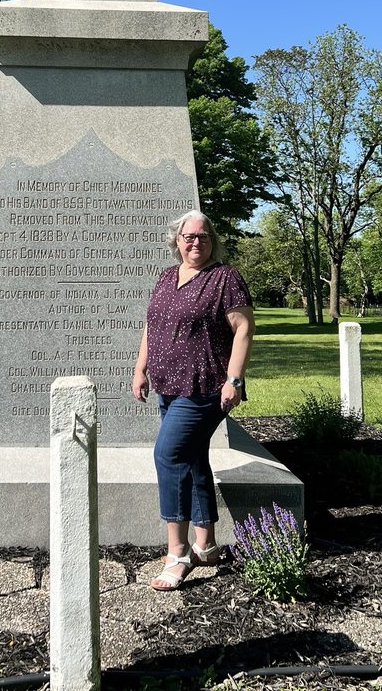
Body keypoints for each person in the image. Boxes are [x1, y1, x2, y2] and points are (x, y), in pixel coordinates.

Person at [132, 210, 255, 591]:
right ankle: (207, 545)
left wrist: (233, 379)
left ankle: (178, 552)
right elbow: (152, 326)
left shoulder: (225, 278)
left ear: (212, 239)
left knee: (168, 456)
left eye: (202, 236)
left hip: (205, 388)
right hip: (169, 385)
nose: (195, 242)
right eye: (188, 236)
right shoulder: (167, 277)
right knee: (193, 458)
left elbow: (244, 328)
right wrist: (141, 369)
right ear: (177, 240)